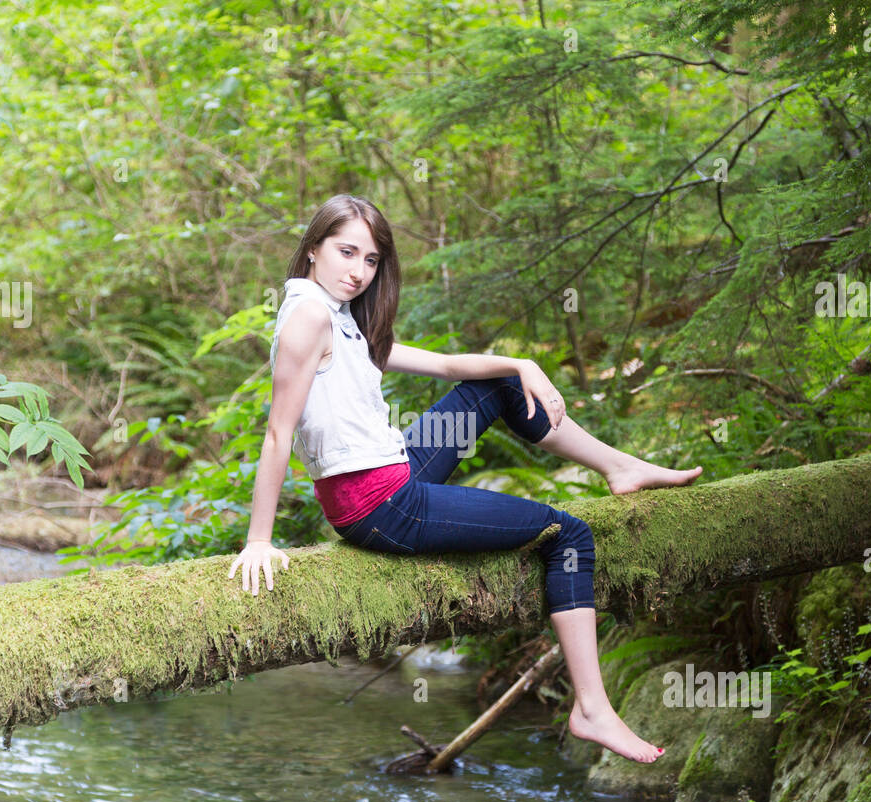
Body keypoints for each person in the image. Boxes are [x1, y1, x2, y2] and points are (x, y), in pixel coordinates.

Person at [228, 194, 702, 765]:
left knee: (495, 384)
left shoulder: (342, 318)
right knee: (569, 535)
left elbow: (450, 365)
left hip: (394, 471)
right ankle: (592, 708)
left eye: (372, 260)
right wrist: (258, 540)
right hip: (382, 507)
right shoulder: (307, 314)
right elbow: (278, 432)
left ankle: (619, 467)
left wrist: (521, 365)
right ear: (312, 250)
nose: (358, 271)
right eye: (346, 252)